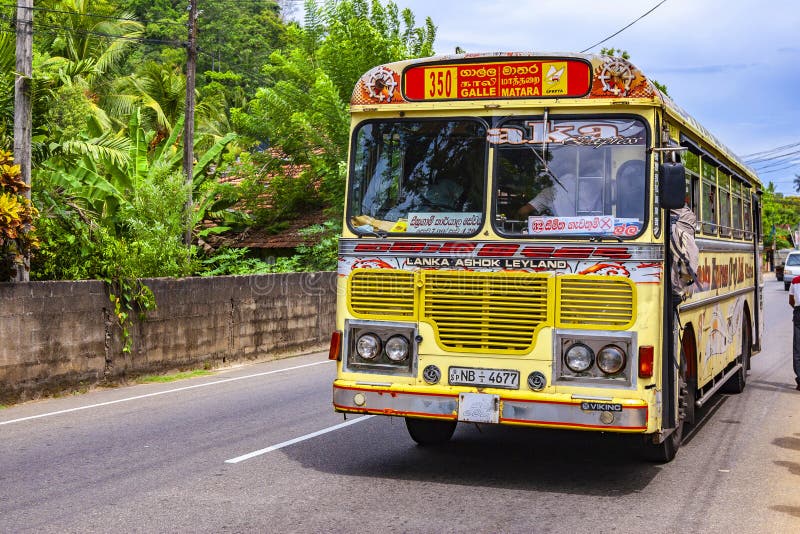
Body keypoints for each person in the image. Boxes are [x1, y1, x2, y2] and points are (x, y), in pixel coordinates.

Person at [789, 276, 800, 390]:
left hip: (798, 314)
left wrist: (797, 309)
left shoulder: (795, 281)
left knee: (797, 349)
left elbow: (791, 301)